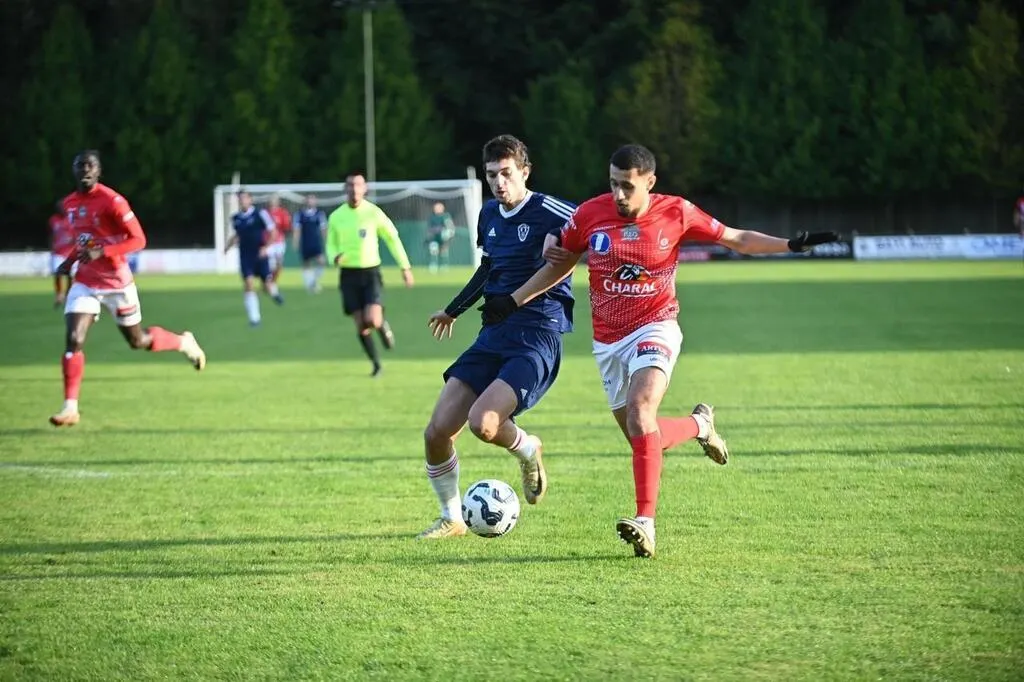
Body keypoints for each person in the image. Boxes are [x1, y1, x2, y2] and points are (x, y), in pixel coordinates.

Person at [481, 143, 840, 557]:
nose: (619, 195)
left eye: (628, 186)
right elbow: (561, 257)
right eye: (613, 184)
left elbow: (737, 239)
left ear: (649, 183)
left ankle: (645, 522)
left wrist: (791, 245)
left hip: (656, 326)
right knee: (642, 434)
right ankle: (699, 426)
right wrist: (516, 298)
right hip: (608, 342)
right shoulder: (590, 213)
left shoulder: (677, 211)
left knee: (640, 413)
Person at [417, 134, 576, 539]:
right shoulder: (488, 214)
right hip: (494, 332)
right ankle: (452, 518)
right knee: (436, 434)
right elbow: (488, 268)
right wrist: (453, 309)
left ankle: (527, 448)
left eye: (507, 174)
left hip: (537, 334)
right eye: (492, 175)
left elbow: (595, 233)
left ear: (525, 171)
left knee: (484, 424)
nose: (499, 183)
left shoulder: (552, 211)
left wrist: (570, 246)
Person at [49, 150, 207, 427]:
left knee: (138, 341)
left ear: (99, 171)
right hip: (85, 282)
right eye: (80, 165)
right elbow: (84, 241)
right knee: (74, 338)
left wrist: (104, 253)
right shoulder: (71, 203)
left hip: (117, 283)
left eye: (91, 165)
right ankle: (70, 407)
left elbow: (139, 240)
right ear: (73, 171)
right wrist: (69, 262)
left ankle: (184, 342)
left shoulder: (113, 201)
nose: (85, 170)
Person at [326, 172, 414, 376]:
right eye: (350, 185)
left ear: (364, 189)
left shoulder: (374, 213)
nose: (354, 189)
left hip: (370, 272)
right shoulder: (336, 217)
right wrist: (334, 257)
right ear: (345, 189)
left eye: (358, 185)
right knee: (361, 324)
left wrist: (405, 267)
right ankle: (376, 364)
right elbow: (330, 245)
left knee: (372, 320)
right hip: (348, 275)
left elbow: (392, 238)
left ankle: (382, 324)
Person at [224, 189, 285, 327]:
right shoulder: (236, 218)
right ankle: (255, 319)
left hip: (260, 255)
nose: (242, 201)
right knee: (249, 284)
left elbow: (273, 232)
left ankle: (274, 293)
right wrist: (228, 246)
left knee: (267, 286)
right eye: (240, 199)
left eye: (244, 198)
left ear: (250, 200)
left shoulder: (260, 214)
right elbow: (238, 235)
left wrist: (266, 248)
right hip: (245, 256)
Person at [292, 193, 327, 293]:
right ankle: (309, 286)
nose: (310, 201)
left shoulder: (320, 214)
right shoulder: (299, 214)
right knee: (306, 264)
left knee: (322, 262)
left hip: (316, 242)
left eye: (312, 199)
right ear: (305, 201)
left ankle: (313, 282)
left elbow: (323, 229)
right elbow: (297, 229)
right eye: (308, 199)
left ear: (315, 201)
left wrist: (326, 240)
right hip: (305, 243)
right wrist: (295, 241)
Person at [48, 200, 75, 308]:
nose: (61, 209)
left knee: (70, 275)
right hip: (58, 252)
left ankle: (68, 295)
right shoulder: (53, 220)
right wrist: (51, 247)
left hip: (70, 251)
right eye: (59, 207)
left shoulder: (72, 219)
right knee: (57, 273)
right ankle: (59, 294)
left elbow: (77, 234)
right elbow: (51, 234)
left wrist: (73, 241)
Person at [266, 194, 292, 283]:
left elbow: (287, 227)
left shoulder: (282, 212)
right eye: (271, 200)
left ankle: (273, 281)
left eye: (274, 200)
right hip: (268, 242)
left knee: (279, 264)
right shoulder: (265, 213)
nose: (272, 202)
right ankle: (268, 281)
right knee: (270, 264)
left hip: (279, 241)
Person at [425, 201, 456, 273]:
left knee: (443, 251)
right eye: (436, 207)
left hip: (443, 238)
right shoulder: (432, 217)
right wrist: (430, 234)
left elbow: (450, 227)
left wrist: (448, 234)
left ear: (442, 208)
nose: (437, 209)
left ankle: (444, 266)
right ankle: (433, 266)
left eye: (439, 207)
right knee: (433, 251)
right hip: (434, 237)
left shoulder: (446, 216)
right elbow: (429, 228)